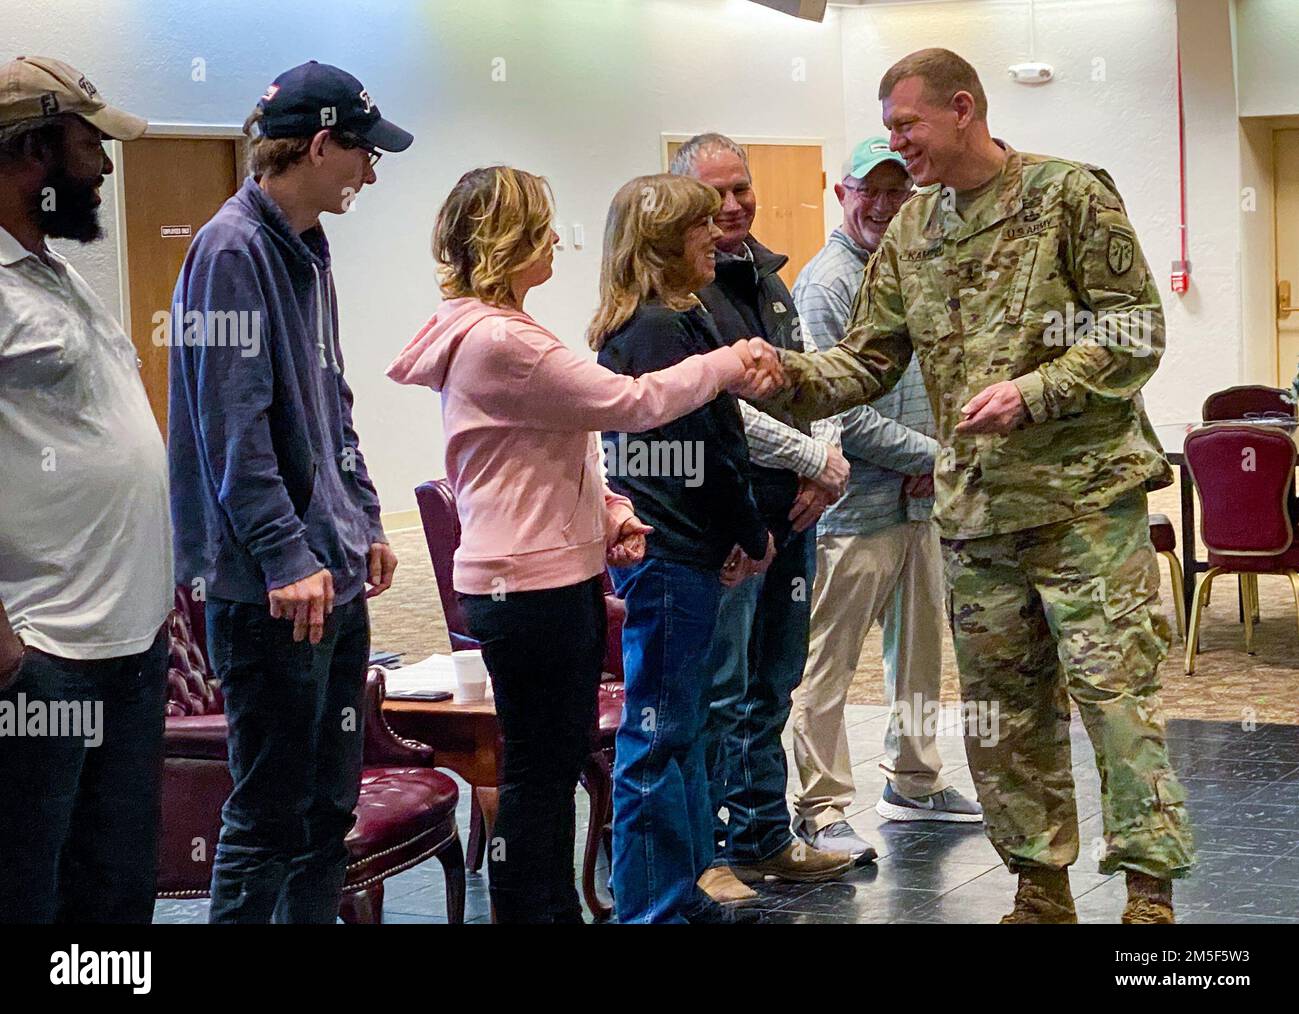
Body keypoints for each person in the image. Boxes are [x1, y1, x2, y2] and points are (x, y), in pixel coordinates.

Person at [766, 48, 1194, 924]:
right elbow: (868, 360)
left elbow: (1136, 325)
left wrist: (1037, 392)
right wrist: (775, 376)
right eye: (888, 129)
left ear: (963, 109)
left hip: (1082, 508)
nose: (898, 144)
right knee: (1003, 714)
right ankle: (1039, 889)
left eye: (907, 126)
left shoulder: (1070, 195)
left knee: (1116, 698)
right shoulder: (914, 233)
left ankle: (1149, 893)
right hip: (978, 519)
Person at [387, 167, 778, 923]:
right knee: (540, 771)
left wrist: (606, 512)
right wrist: (728, 364)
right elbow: (628, 404)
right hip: (527, 587)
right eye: (544, 229)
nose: (558, 244)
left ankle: (552, 909)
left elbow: (533, 452)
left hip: (537, 575)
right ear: (512, 240)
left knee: (550, 763)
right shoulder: (500, 339)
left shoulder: (500, 330)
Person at [169, 61, 410, 923]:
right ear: (318, 145)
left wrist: (363, 518)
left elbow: (330, 397)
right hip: (274, 591)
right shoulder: (230, 250)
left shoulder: (308, 247)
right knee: (269, 817)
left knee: (325, 812)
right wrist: (284, 554)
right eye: (363, 154)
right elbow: (234, 425)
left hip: (330, 575)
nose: (370, 172)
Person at [0, 56, 171, 923]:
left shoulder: (56, 274)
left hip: (126, 646)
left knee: (114, 886)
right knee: (29, 884)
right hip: (43, 652)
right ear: (32, 147)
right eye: (89, 144)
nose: (104, 166)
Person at [591, 173, 788, 923]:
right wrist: (745, 530)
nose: (717, 233)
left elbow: (715, 441)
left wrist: (732, 532)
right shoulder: (655, 330)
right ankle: (650, 907)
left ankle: (682, 883)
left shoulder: (678, 317)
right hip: (670, 556)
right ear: (662, 241)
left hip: (688, 549)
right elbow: (700, 450)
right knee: (657, 738)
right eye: (700, 225)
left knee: (683, 729)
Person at [670, 133, 853, 902]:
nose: (736, 203)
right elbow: (725, 412)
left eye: (742, 187)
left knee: (774, 682)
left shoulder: (772, 282)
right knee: (724, 688)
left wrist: (828, 456)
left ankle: (762, 835)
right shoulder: (681, 295)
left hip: (797, 514)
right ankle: (710, 853)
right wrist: (814, 461)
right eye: (717, 193)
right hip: (733, 521)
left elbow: (812, 376)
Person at [790, 136, 981, 864]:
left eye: (898, 191)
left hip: (916, 506)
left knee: (920, 657)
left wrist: (931, 465)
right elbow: (840, 413)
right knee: (827, 668)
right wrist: (935, 458)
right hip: (850, 513)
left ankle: (914, 782)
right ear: (843, 194)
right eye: (871, 189)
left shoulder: (907, 268)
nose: (884, 203)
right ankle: (822, 805)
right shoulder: (827, 284)